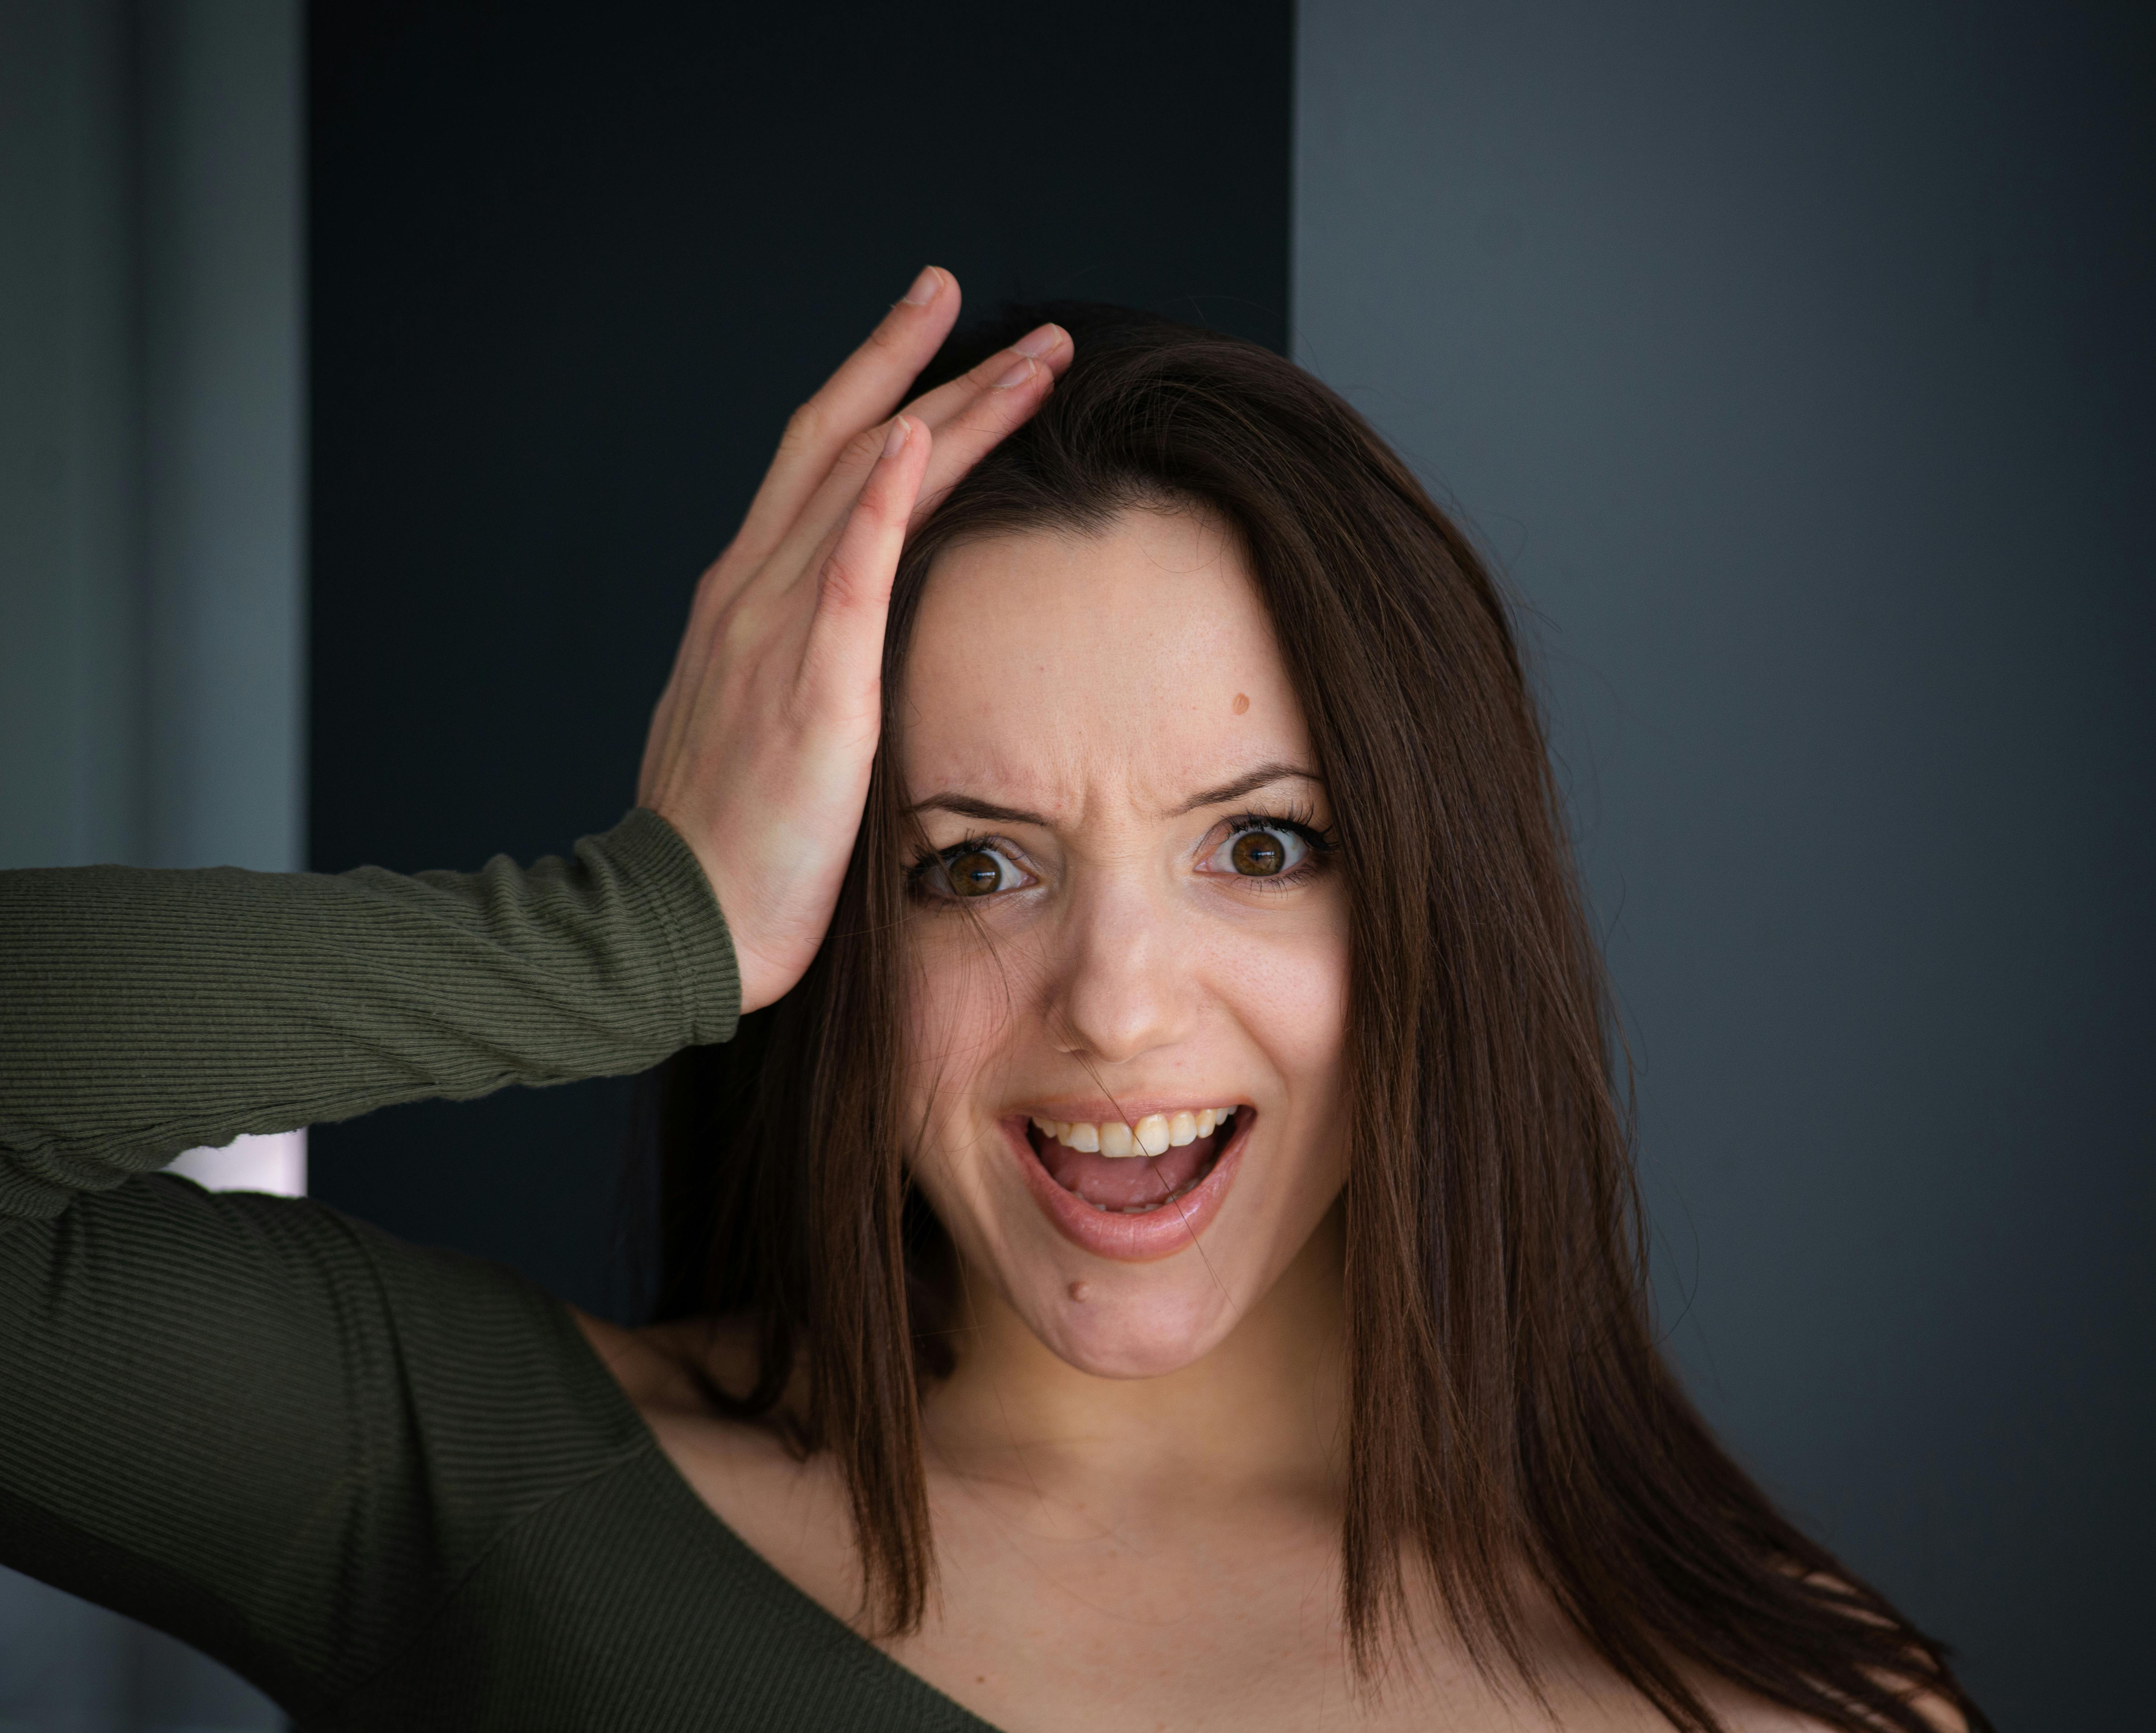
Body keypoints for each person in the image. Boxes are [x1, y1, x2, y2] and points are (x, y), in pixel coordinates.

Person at [0, 269, 1988, 1732]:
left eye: (1264, 844)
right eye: (972, 864)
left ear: (1438, 910)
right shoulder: (501, 1486)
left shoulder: (1784, 1695)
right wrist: (633, 922)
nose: (1114, 1006)